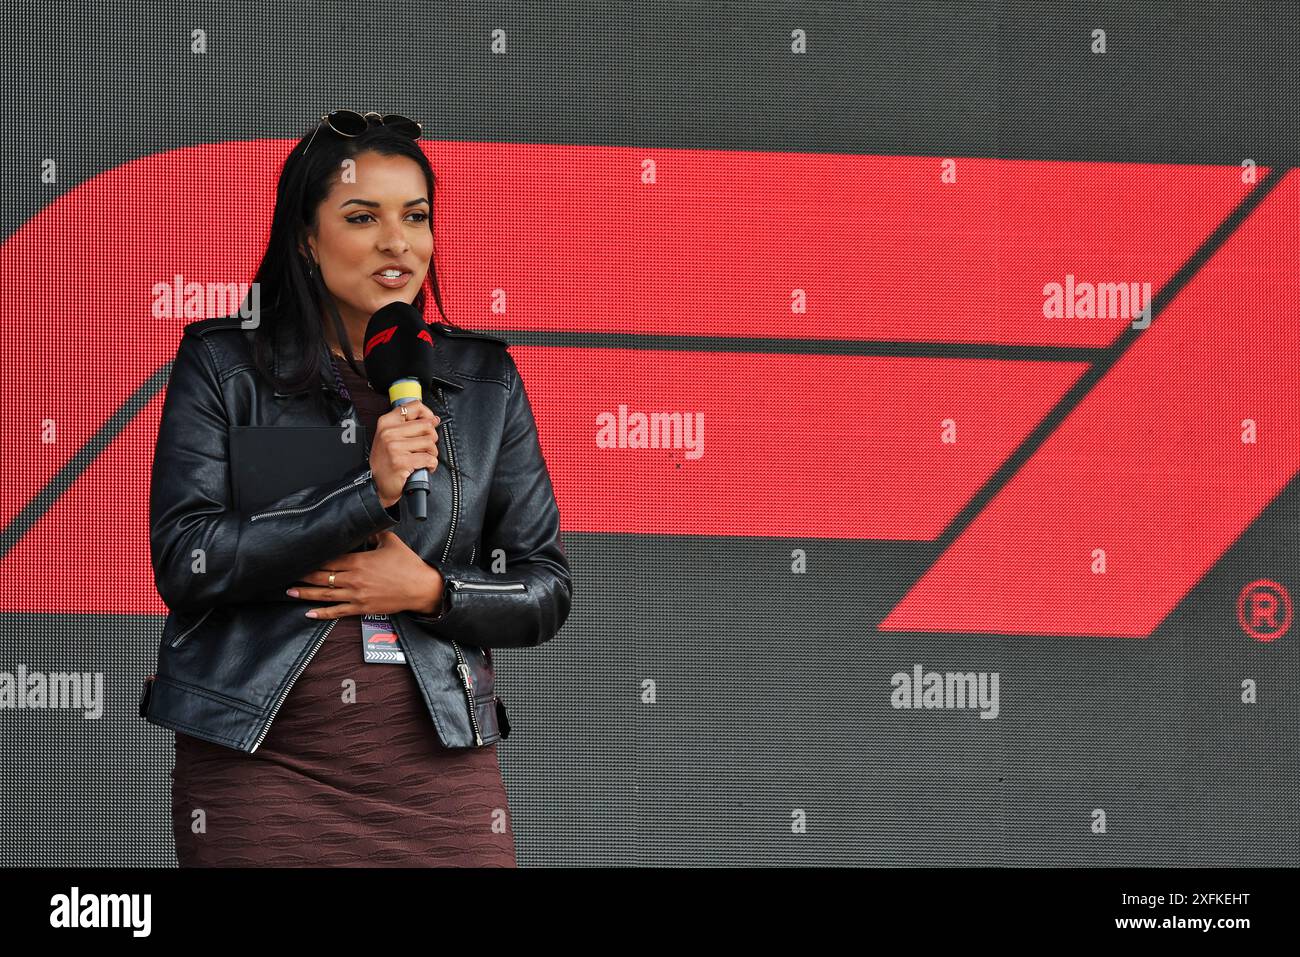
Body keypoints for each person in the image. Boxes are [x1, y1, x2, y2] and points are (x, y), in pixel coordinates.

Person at [147, 110, 572, 866]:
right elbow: (189, 559)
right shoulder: (224, 365)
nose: (396, 242)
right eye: (361, 216)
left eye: (415, 216)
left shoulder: (483, 383)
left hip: (439, 784)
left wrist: (431, 591)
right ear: (306, 239)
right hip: (264, 775)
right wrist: (362, 494)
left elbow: (545, 587)